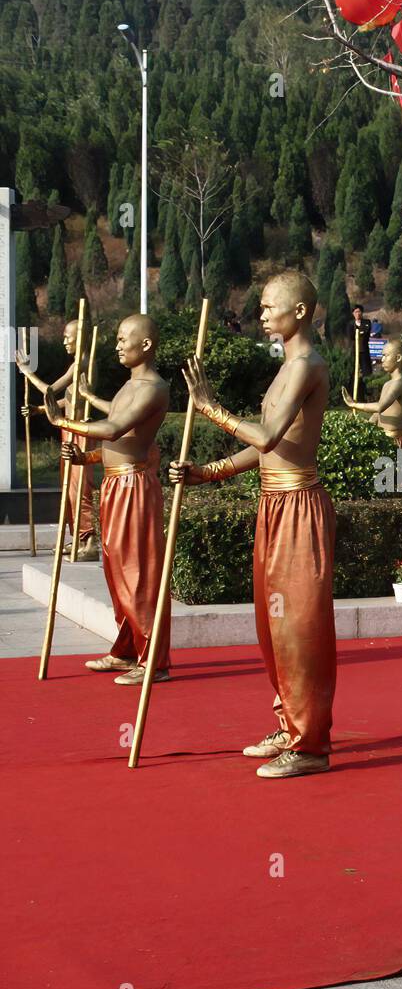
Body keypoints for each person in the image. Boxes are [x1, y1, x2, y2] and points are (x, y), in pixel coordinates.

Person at [171, 270, 336, 780]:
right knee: (271, 625)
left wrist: (211, 408)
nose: (261, 314)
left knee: (300, 628)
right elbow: (266, 450)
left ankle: (310, 744)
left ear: (300, 311)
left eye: (269, 306)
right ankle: (289, 723)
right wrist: (207, 473)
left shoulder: (307, 364)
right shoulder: (285, 366)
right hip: (273, 504)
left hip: (299, 507)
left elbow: (266, 437)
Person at [41, 315, 171, 684]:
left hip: (134, 488)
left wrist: (64, 423)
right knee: (116, 570)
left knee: (138, 573)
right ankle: (128, 648)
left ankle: (154, 659)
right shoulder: (128, 387)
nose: (116, 345)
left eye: (122, 339)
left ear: (145, 345)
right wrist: (87, 457)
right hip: (115, 484)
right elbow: (117, 444)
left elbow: (114, 429)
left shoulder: (153, 388)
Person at [17, 319, 99, 561]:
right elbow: (69, 400)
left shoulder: (82, 364)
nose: (64, 342)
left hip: (81, 430)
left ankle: (90, 541)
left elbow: (51, 390)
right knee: (68, 488)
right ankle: (78, 539)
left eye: (68, 337)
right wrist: (40, 411)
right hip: (69, 427)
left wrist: (27, 372)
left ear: (81, 338)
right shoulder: (77, 364)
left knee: (80, 487)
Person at [342, 338, 402, 459]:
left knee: (395, 477)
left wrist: (354, 404)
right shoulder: (387, 384)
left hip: (394, 441)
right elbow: (378, 414)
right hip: (382, 440)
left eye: (386, 355)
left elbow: (380, 407)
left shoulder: (400, 384)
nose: (382, 359)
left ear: (398, 358)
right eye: (382, 356)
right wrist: (362, 424)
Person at [346, 304, 373, 401]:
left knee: (366, 372)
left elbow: (366, 333)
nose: (358, 314)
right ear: (353, 314)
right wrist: (359, 332)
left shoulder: (367, 322)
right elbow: (351, 336)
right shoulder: (350, 324)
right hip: (354, 352)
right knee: (354, 373)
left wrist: (360, 332)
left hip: (364, 351)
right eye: (356, 312)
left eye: (359, 312)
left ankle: (368, 395)